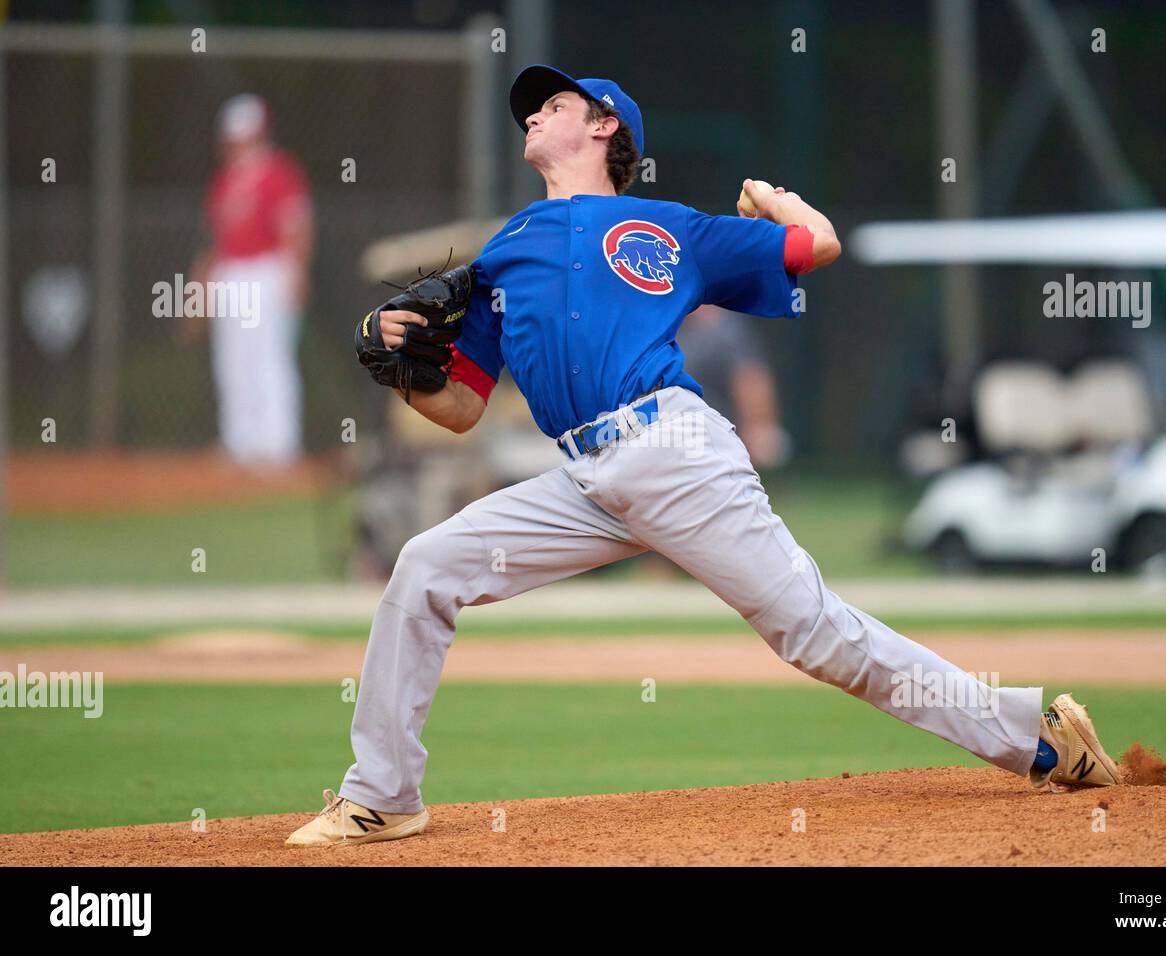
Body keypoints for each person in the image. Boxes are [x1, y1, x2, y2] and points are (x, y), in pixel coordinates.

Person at [286, 66, 1119, 847]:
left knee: (815, 636)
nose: (533, 113)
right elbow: (461, 407)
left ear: (604, 125)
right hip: (583, 478)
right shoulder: (506, 250)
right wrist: (394, 366)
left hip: (673, 449)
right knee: (425, 565)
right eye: (529, 109)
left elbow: (817, 245)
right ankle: (383, 797)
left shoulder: (670, 227)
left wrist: (774, 198)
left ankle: (1037, 740)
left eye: (554, 103)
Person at [189, 94, 313, 467]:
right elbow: (216, 241)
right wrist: (202, 284)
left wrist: (297, 271)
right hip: (231, 272)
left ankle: (278, 444)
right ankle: (239, 442)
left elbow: (296, 227)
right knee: (232, 359)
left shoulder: (279, 173)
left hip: (267, 269)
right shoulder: (224, 180)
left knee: (269, 356)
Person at [677, 304, 790, 469]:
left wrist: (757, 428)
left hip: (715, 443)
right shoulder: (662, 326)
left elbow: (751, 378)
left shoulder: (725, 329)